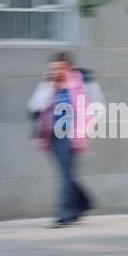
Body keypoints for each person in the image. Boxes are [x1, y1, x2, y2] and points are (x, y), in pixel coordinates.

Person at [27, 52, 92, 227]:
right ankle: (83, 203)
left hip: (70, 134)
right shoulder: (48, 85)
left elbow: (87, 110)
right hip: (52, 135)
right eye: (53, 68)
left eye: (59, 68)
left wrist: (82, 132)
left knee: (65, 175)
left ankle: (64, 214)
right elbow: (34, 106)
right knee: (67, 173)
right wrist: (47, 87)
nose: (55, 71)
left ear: (68, 68)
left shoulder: (79, 83)